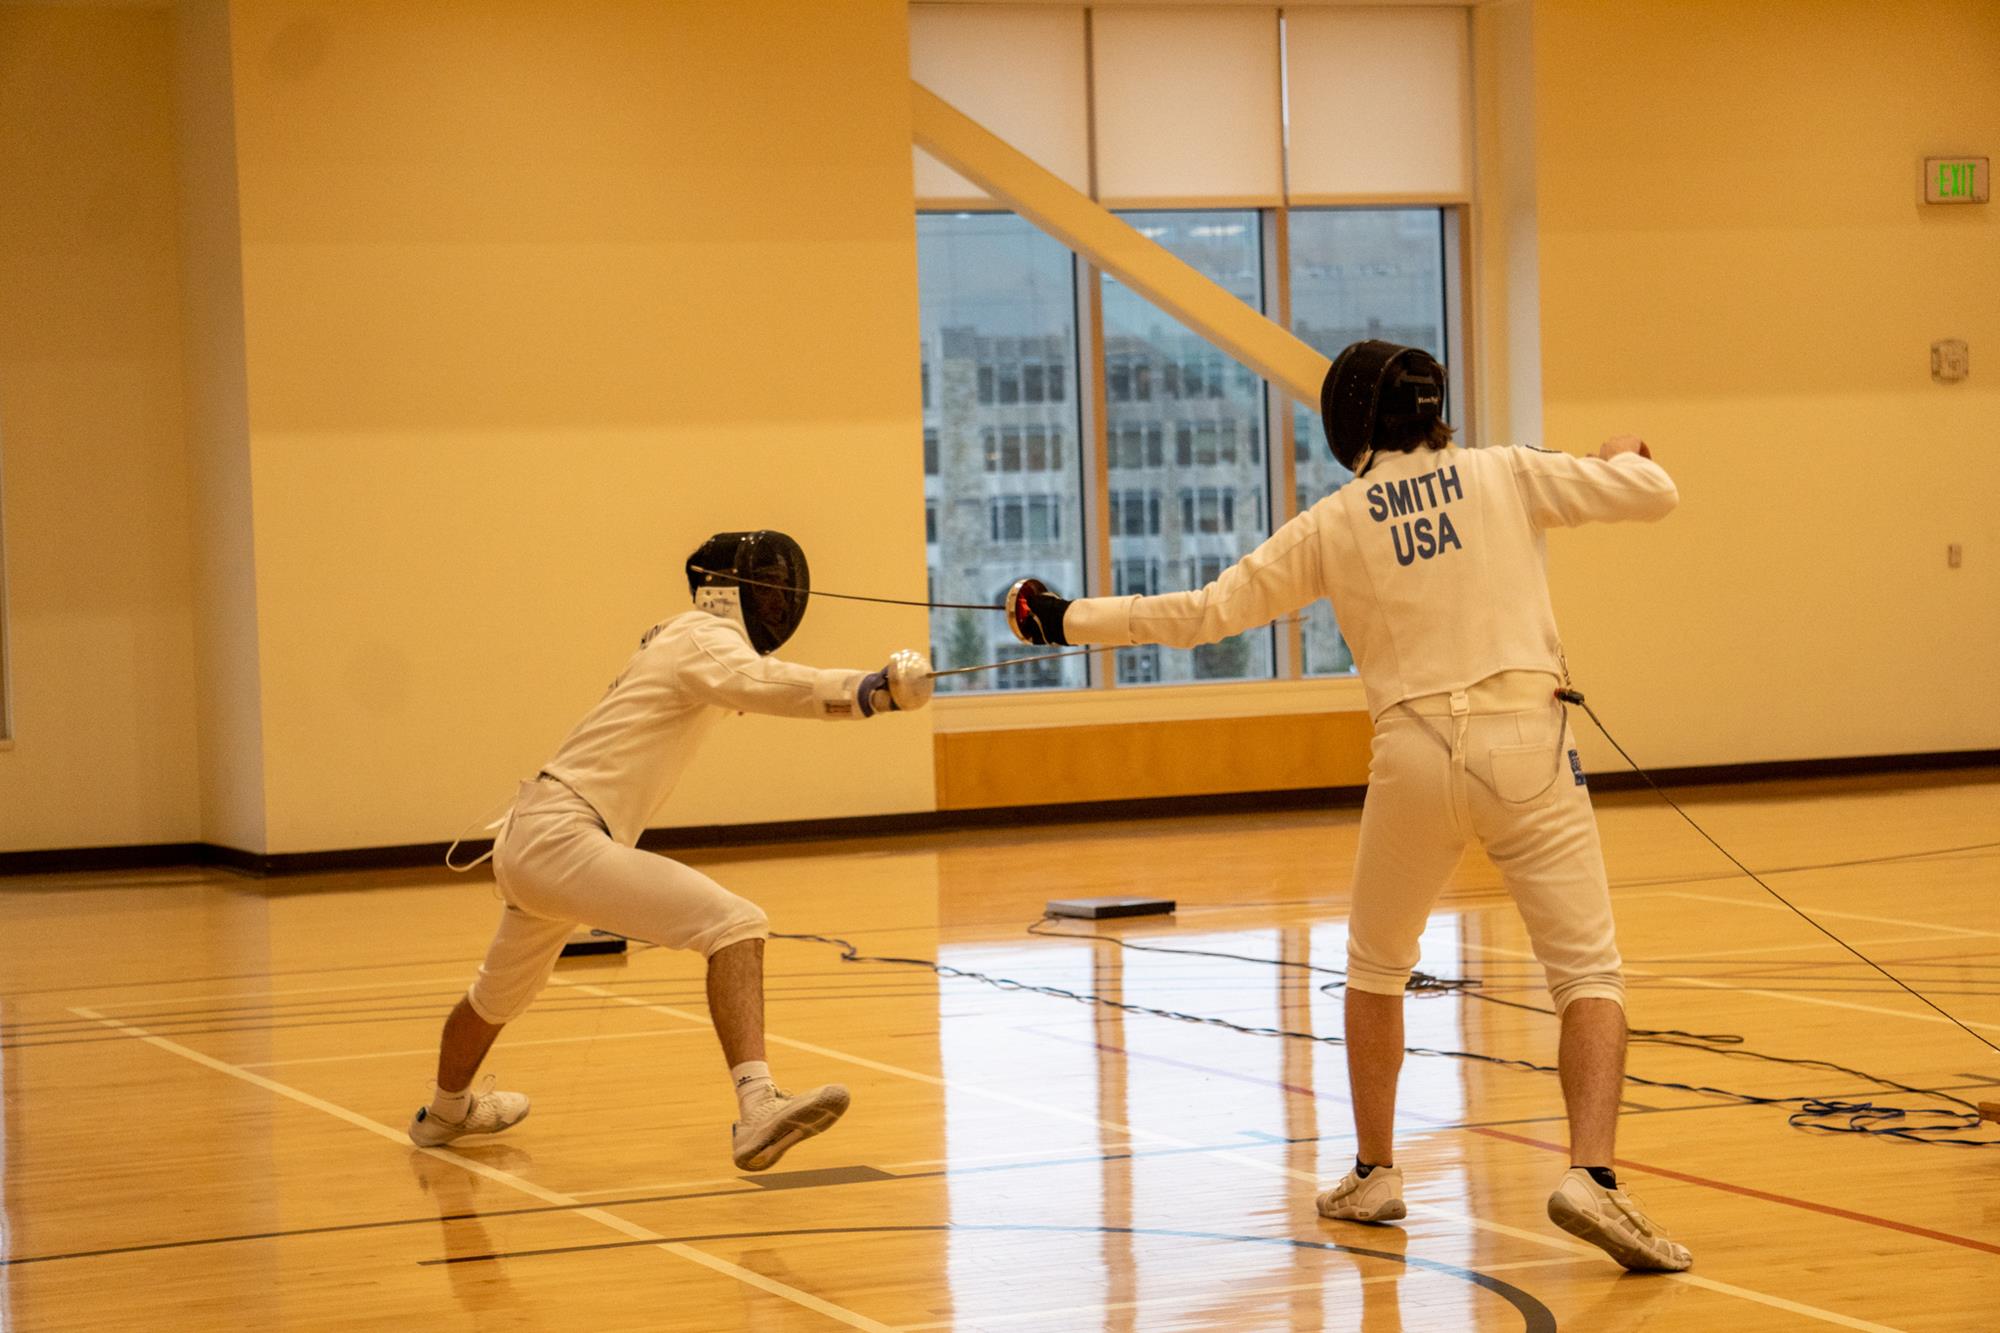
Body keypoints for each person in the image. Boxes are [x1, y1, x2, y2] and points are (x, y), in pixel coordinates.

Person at [1007, 342, 1691, 1271]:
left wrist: (1064, 618)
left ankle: (1376, 1171)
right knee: (1587, 974)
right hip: (1530, 742)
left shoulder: (1335, 520)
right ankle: (1593, 1176)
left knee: (1376, 968)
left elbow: (1205, 612)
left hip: (1414, 756)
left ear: (1351, 420)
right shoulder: (1506, 472)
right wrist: (1622, 452)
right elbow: (1656, 493)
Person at [411, 530, 932, 1173]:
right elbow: (765, 682)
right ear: (728, 590)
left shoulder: (682, 642)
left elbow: (743, 683)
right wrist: (870, 689)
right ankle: (758, 1105)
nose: (778, 602)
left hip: (533, 837)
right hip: (562, 834)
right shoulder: (700, 637)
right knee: (735, 924)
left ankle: (446, 1112)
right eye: (767, 588)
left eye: (782, 589)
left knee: (496, 996)